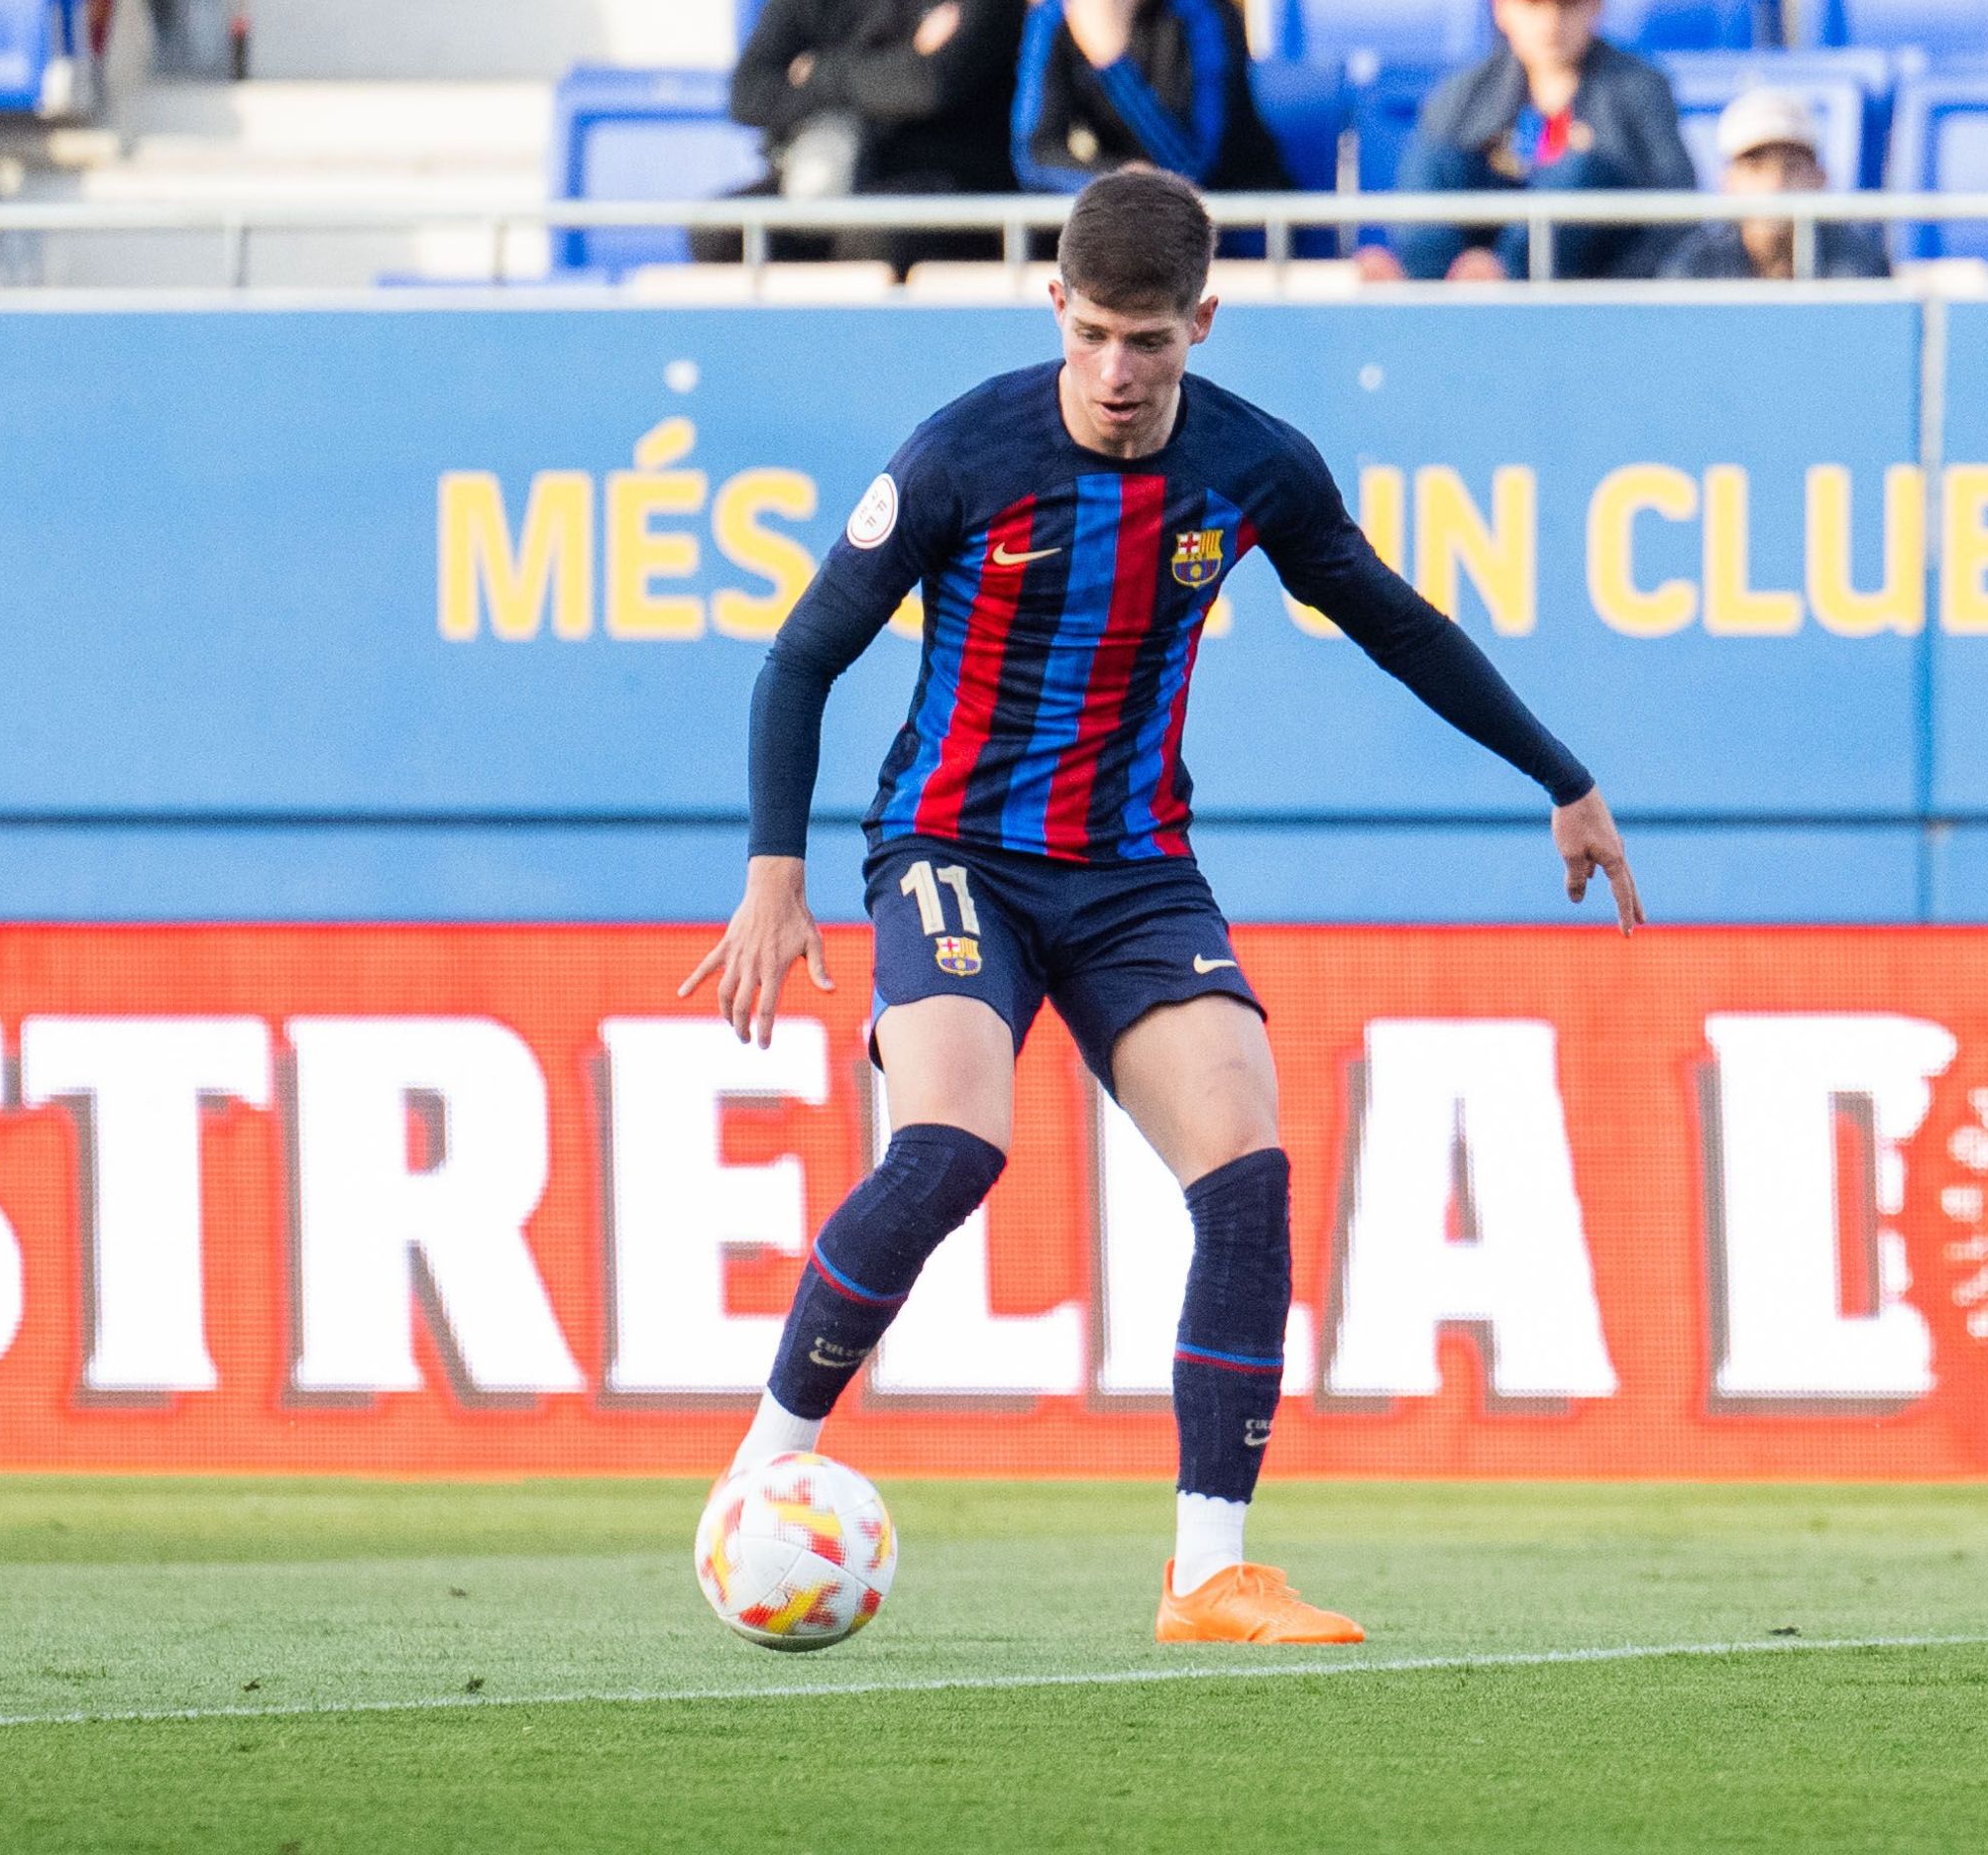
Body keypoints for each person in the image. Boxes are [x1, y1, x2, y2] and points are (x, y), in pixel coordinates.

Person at [682, 170, 1641, 1644]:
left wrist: (1563, 778)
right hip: (953, 850)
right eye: (1098, 339)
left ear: (1205, 321)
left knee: (1247, 1168)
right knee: (951, 1144)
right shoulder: (962, 456)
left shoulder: (1255, 468)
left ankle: (1208, 1572)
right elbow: (800, 656)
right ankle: (760, 1474)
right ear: (1055, 306)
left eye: (1154, 345)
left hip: (1133, 873)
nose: (1121, 377)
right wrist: (772, 876)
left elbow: (1394, 619)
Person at [695, 0, 1027, 273]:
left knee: (872, 234)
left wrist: (816, 70)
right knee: (720, 230)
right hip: (818, 175)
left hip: (945, 183)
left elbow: (931, 86)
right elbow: (749, 94)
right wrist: (903, 59)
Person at [1358, 0, 1694, 283]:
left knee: (1579, 172)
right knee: (1434, 158)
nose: (1550, 21)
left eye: (1567, 2)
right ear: (1501, 7)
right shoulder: (1466, 92)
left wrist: (1621, 284)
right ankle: (1423, 285)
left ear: (1595, 5)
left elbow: (1674, 207)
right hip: (1465, 278)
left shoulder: (1640, 87)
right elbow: (1428, 180)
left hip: (1590, 276)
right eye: (1533, 2)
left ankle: (1500, 281)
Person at [1009, 0, 1287, 194]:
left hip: (1234, 221)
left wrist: (1112, 61)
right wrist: (1118, 181)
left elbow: (1197, 166)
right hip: (1126, 213)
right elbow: (1032, 155)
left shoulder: (1206, 11)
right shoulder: (1057, 10)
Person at [1659, 87, 1891, 281]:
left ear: (1819, 178)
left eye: (1791, 166)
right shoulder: (1695, 269)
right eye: (1756, 168)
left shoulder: (1859, 264)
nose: (1775, 184)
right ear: (1728, 182)